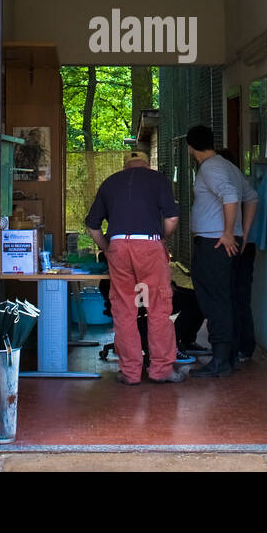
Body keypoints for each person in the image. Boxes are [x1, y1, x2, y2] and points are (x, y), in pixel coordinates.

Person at [85, 150, 186, 385]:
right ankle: (161, 370)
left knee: (123, 309)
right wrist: (163, 240)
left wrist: (107, 248)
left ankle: (130, 372)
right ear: (147, 164)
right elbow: (172, 219)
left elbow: (93, 226)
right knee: (158, 308)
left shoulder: (110, 182)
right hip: (149, 246)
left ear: (124, 165)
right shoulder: (158, 180)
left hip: (118, 246)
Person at [185, 125, 246, 378]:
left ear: (190, 147)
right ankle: (228, 356)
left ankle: (220, 361)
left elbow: (231, 195)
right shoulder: (228, 166)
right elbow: (251, 196)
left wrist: (229, 232)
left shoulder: (210, 167)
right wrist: (244, 233)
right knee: (226, 297)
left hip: (215, 244)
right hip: (225, 242)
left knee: (213, 299)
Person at [216, 148, 259, 365]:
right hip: (244, 243)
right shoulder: (242, 181)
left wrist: (237, 236)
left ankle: (239, 346)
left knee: (234, 296)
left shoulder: (231, 186)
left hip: (237, 243)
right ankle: (241, 346)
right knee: (239, 296)